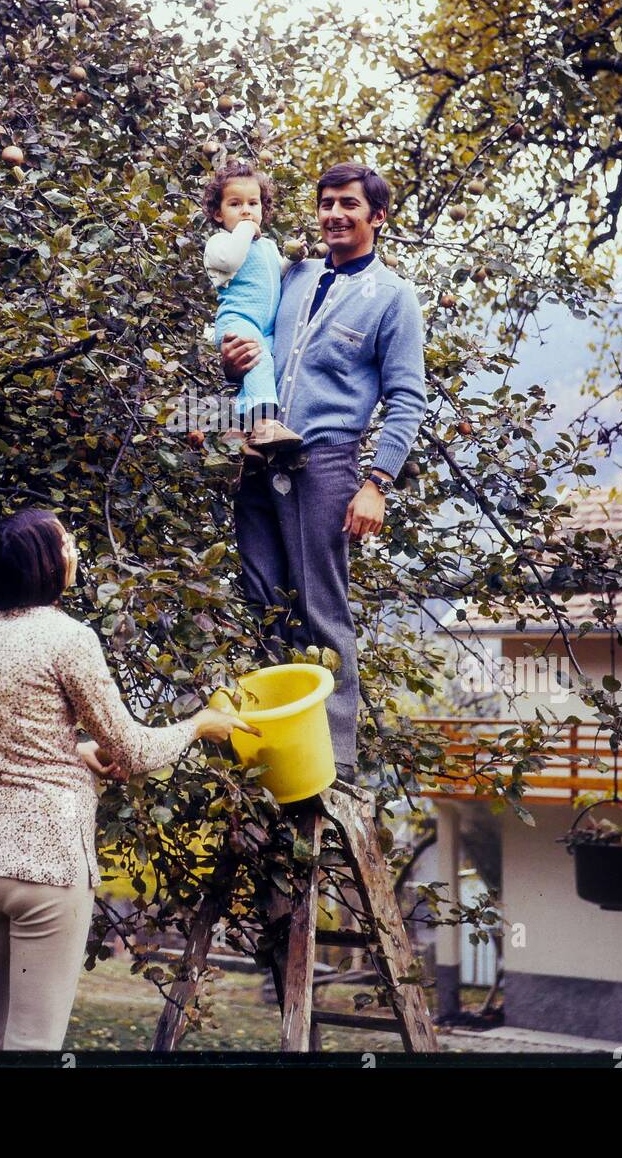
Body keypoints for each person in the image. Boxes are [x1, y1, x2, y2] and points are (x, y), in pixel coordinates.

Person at [0, 507, 256, 1050]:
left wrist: (79, 751)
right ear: (46, 563)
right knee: (31, 1046)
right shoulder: (68, 638)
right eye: (66, 543)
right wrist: (200, 724)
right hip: (43, 865)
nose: (75, 550)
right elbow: (133, 752)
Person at [220, 162, 427, 786]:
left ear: (377, 217)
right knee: (261, 601)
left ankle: (333, 763)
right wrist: (234, 362)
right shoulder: (295, 274)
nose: (335, 214)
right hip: (261, 455)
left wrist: (377, 482)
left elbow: (407, 397)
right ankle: (271, 748)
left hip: (328, 464)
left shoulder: (393, 297)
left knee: (320, 612)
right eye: (326, 203)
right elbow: (255, 343)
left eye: (349, 205)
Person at [201, 159, 303, 455]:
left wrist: (293, 261)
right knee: (259, 361)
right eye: (235, 204)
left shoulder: (268, 246)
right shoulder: (220, 243)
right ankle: (264, 427)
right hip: (239, 320)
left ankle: (237, 433)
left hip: (266, 326)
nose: (246, 210)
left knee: (266, 369)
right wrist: (246, 229)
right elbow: (232, 261)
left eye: (253, 203)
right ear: (218, 214)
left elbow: (274, 276)